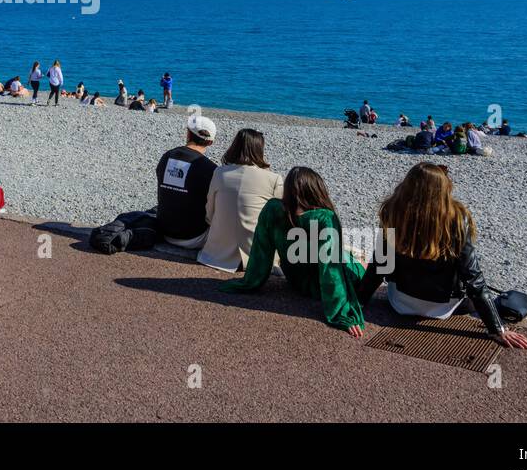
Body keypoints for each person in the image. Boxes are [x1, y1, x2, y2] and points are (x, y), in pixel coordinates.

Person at [357, 163, 527, 349]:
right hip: (443, 308)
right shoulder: (457, 218)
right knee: (474, 300)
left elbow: (379, 265)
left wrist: (358, 303)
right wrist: (497, 329)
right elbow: (473, 278)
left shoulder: (393, 212)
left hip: (400, 301)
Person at [221, 166, 368, 336]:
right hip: (320, 286)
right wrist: (341, 314)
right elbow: (331, 270)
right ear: (317, 190)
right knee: (356, 262)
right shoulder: (324, 218)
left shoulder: (272, 209)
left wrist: (250, 281)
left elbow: (261, 252)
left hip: (297, 282)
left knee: (342, 254)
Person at [198, 128, 284, 272]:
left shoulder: (219, 173)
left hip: (217, 253)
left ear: (235, 146)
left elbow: (209, 213)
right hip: (257, 254)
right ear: (259, 149)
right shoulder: (273, 179)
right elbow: (279, 220)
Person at [154, 112, 218, 248]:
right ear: (210, 142)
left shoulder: (167, 156)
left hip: (164, 230)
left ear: (188, 134)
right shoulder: (210, 169)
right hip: (194, 237)